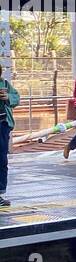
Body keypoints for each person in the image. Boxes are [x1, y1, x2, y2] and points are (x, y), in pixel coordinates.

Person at [0, 68, 21, 207]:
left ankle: (0, 193)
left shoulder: (5, 84)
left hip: (2, 125)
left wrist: (8, 98)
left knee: (1, 159)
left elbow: (16, 97)